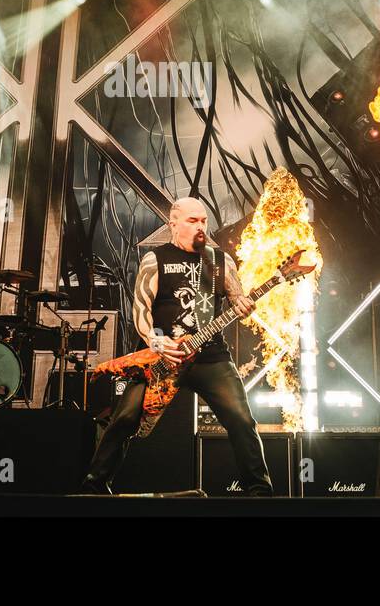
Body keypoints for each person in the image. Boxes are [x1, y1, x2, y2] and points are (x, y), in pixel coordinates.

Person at [79, 197, 274, 496]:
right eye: (192, 221)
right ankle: (93, 488)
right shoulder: (155, 259)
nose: (200, 227)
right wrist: (157, 342)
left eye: (203, 221)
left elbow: (237, 299)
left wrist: (244, 305)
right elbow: (141, 310)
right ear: (173, 223)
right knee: (125, 418)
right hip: (163, 358)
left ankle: (259, 491)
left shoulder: (220, 261)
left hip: (211, 356)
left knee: (241, 420)